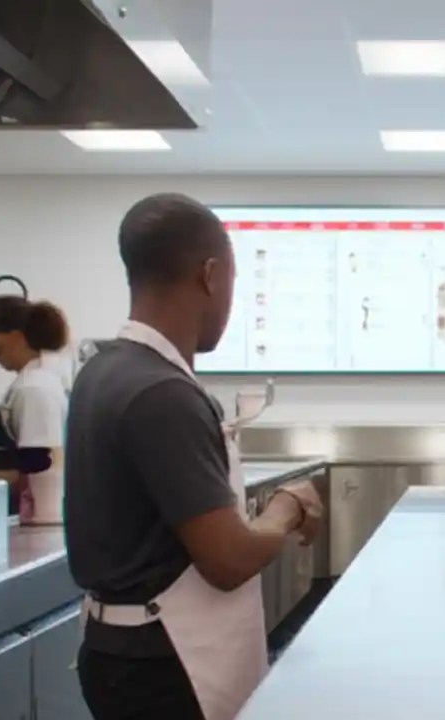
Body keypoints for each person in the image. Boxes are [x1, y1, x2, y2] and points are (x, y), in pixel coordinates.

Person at [64, 193, 324, 720]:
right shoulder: (163, 393)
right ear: (210, 275)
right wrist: (286, 509)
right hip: (166, 666)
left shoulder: (103, 371)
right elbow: (227, 560)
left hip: (116, 651)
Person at [0, 295, 71, 521]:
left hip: (40, 516)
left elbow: (40, 465)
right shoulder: (37, 381)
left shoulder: (34, 388)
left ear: (16, 336)